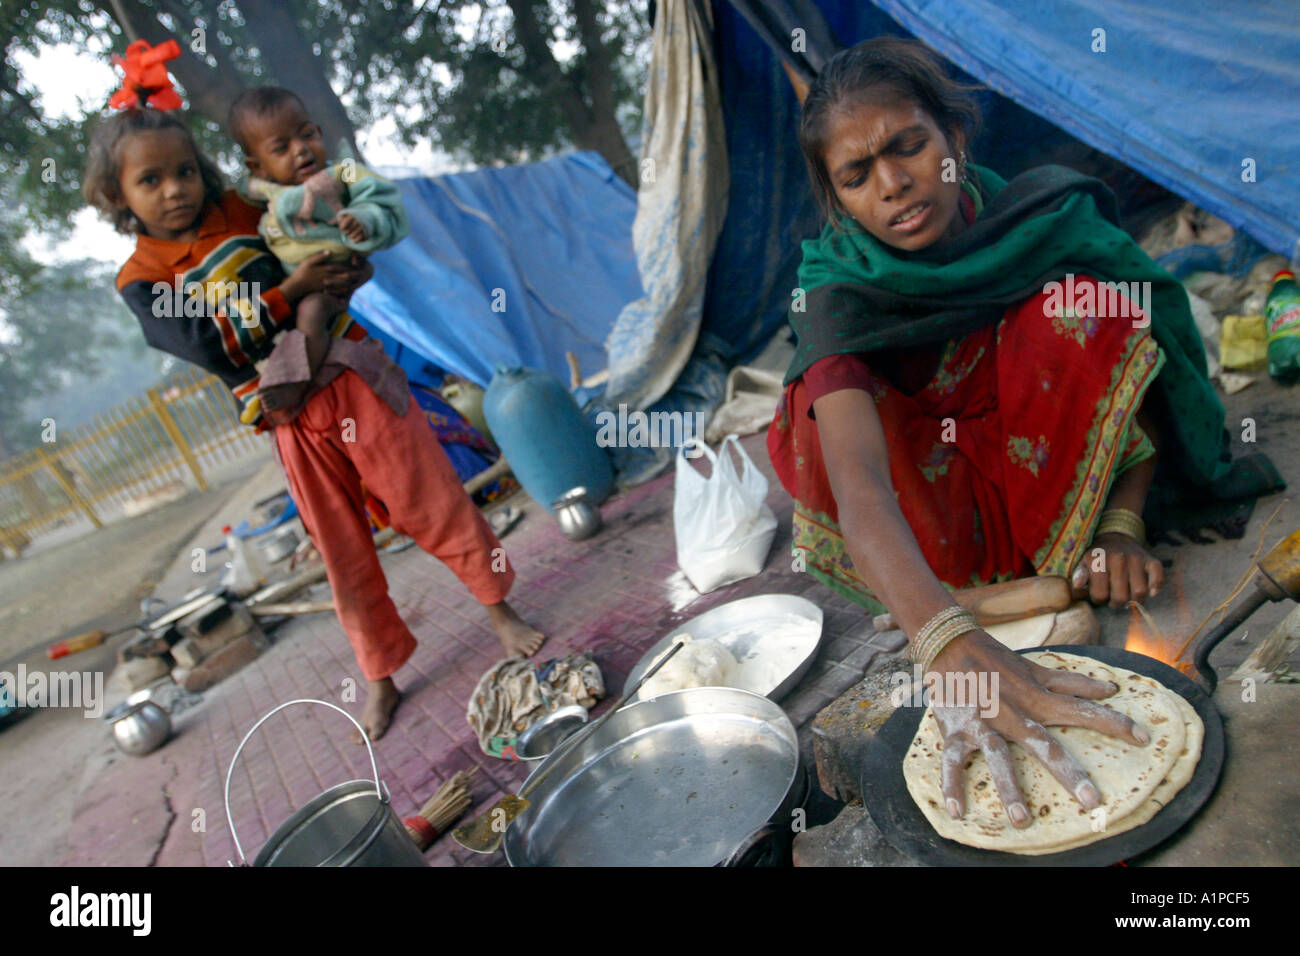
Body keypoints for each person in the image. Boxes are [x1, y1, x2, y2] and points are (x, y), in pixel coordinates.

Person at [767, 38, 1257, 828]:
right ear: (838, 199)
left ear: (955, 136)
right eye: (857, 177)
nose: (893, 185)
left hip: (1053, 483)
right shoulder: (837, 298)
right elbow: (860, 492)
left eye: (909, 147)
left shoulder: (1043, 222)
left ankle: (1076, 544)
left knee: (1087, 304)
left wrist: (1125, 528)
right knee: (817, 402)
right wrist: (947, 642)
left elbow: (1135, 364)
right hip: (937, 513)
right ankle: (955, 599)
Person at [85, 105, 544, 741]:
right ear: (116, 195)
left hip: (352, 374)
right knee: (341, 549)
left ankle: (501, 612)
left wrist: (345, 263)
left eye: (185, 172)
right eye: (151, 180)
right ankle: (379, 673)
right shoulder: (141, 279)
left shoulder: (246, 211)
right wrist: (293, 285)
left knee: (430, 499)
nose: (175, 190)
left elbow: (331, 229)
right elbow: (208, 345)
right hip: (287, 416)